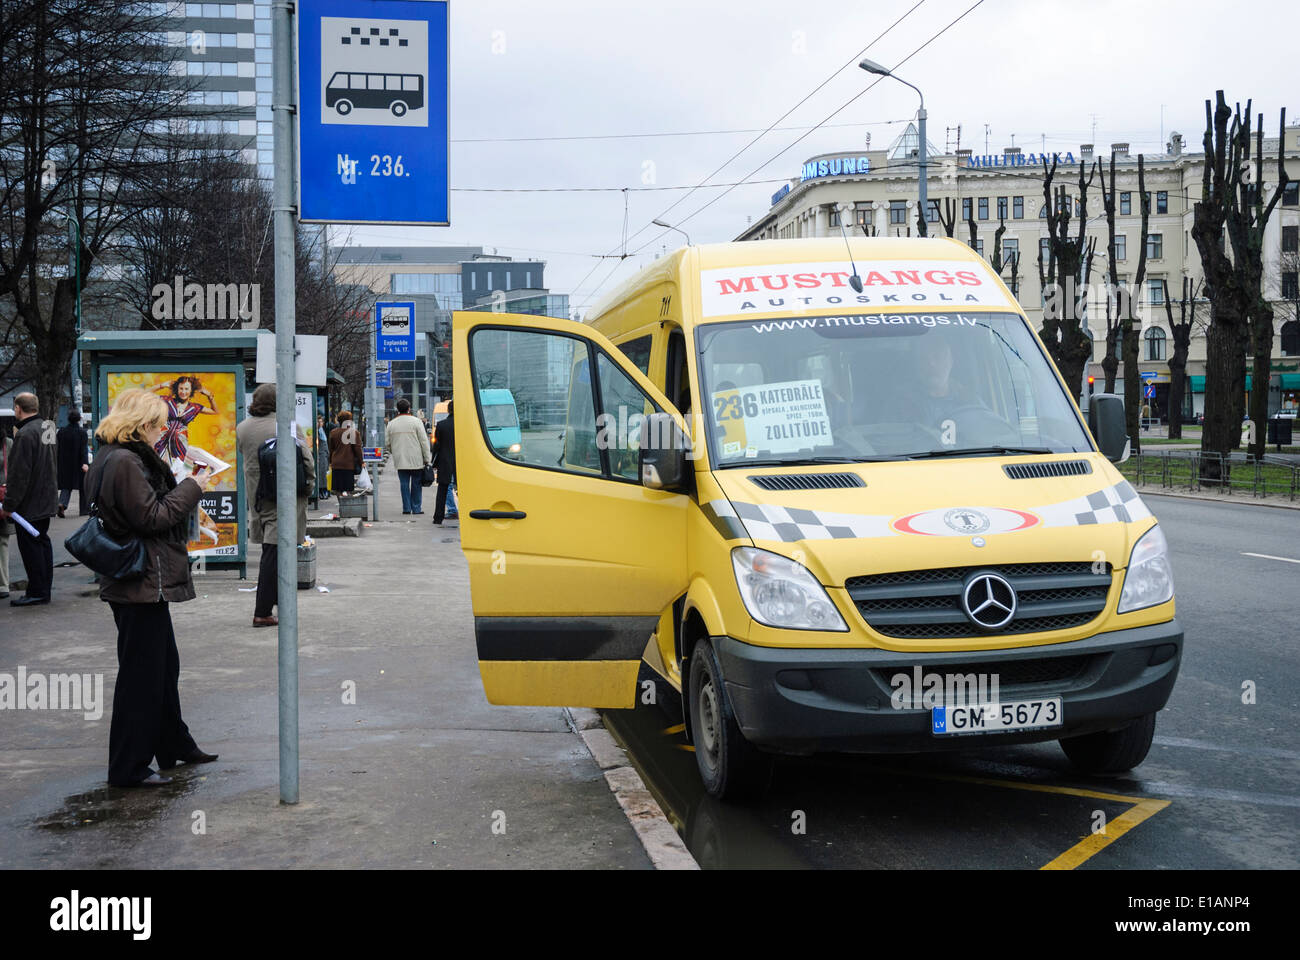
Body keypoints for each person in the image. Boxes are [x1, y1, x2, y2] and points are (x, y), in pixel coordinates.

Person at [84, 388, 219, 786]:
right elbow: (151, 517)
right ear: (141, 425)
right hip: (139, 580)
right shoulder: (124, 460)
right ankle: (128, 766)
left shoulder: (115, 455)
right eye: (159, 424)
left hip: (139, 580)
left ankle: (174, 742)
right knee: (142, 676)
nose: (163, 430)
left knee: (161, 668)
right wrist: (194, 486)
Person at [236, 383, 314, 628]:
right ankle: (263, 611)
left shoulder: (243, 428)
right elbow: (307, 461)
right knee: (274, 552)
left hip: (258, 497)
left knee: (274, 550)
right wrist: (309, 487)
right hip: (285, 496)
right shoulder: (288, 427)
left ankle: (278, 601)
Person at [2, 393, 57, 607]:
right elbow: (50, 462)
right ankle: (44, 589)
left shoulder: (24, 434)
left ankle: (37, 592)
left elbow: (19, 475)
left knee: (31, 548)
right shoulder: (48, 427)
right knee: (42, 543)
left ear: (18, 408)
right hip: (46, 497)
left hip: (30, 503)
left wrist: (9, 505)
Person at [144, 375, 218, 465]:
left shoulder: (194, 407)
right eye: (181, 388)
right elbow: (145, 394)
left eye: (186, 389)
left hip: (180, 444)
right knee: (156, 465)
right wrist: (162, 385)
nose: (183, 392)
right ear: (177, 389)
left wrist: (209, 395)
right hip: (161, 440)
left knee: (176, 470)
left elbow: (215, 411)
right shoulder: (167, 401)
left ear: (191, 390)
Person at [385, 397, 430, 515]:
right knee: (416, 484)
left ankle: (406, 508)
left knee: (404, 484)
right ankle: (416, 508)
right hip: (417, 459)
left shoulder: (391, 424)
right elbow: (424, 442)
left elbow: (387, 444)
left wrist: (395, 452)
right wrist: (427, 459)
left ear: (397, 410)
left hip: (400, 460)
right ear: (409, 409)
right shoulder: (417, 422)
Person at [56, 408, 90, 517]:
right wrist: (85, 463)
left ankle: (62, 503)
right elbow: (84, 450)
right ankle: (84, 510)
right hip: (79, 463)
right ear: (79, 419)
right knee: (83, 486)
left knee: (67, 485)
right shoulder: (82, 433)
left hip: (64, 463)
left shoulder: (61, 432)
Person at [327, 410, 364, 496]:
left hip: (336, 464)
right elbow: (357, 449)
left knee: (338, 489)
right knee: (347, 489)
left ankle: (341, 506)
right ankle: (346, 506)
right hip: (348, 465)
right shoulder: (353, 433)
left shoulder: (333, 433)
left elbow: (331, 449)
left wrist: (330, 462)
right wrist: (361, 462)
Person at [431, 399, 456, 526]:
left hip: (445, 461)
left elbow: (436, 447)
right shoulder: (466, 424)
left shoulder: (441, 425)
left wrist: (433, 462)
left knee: (442, 490)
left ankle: (438, 517)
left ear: (448, 410)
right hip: (462, 462)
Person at [0, 423, 14, 599]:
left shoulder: (8, 443)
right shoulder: (7, 443)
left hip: (2, 498)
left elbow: (13, 470)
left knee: (3, 540)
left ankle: (3, 584)